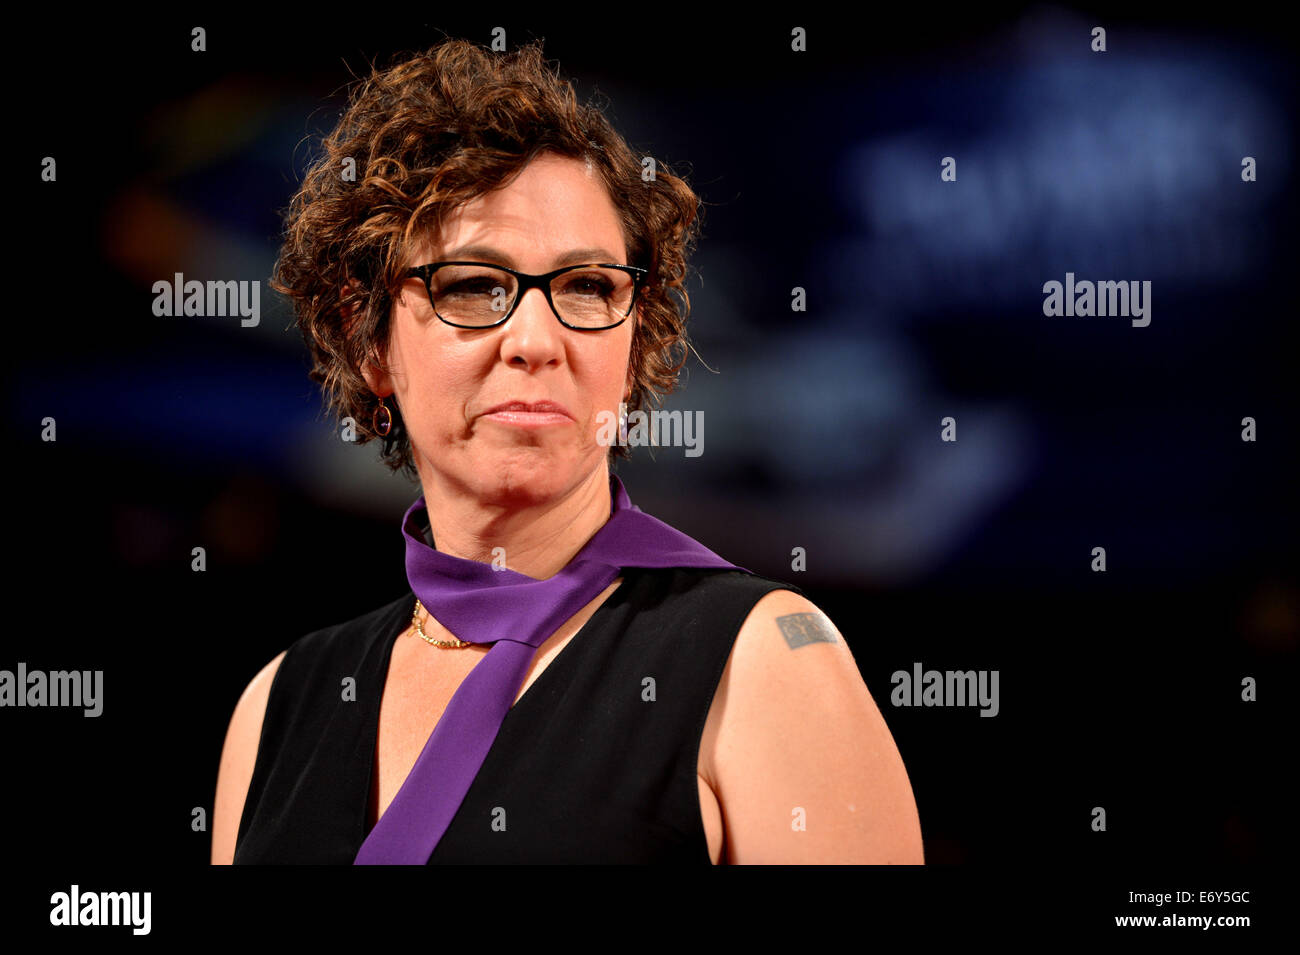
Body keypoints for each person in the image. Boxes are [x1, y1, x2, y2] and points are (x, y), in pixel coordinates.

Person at [210, 37, 923, 864]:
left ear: (635, 342)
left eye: (588, 286)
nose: (536, 339)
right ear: (368, 341)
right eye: (474, 285)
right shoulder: (277, 706)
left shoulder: (768, 663)